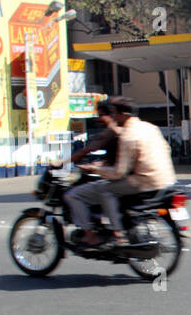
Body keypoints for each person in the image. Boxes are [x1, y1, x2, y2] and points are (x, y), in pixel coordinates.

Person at [63, 98, 176, 247]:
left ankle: (113, 234)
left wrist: (94, 168)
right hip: (167, 179)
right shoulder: (150, 127)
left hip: (144, 181)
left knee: (98, 190)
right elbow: (167, 149)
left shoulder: (126, 135)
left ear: (123, 114)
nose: (113, 117)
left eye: (114, 113)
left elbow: (118, 172)